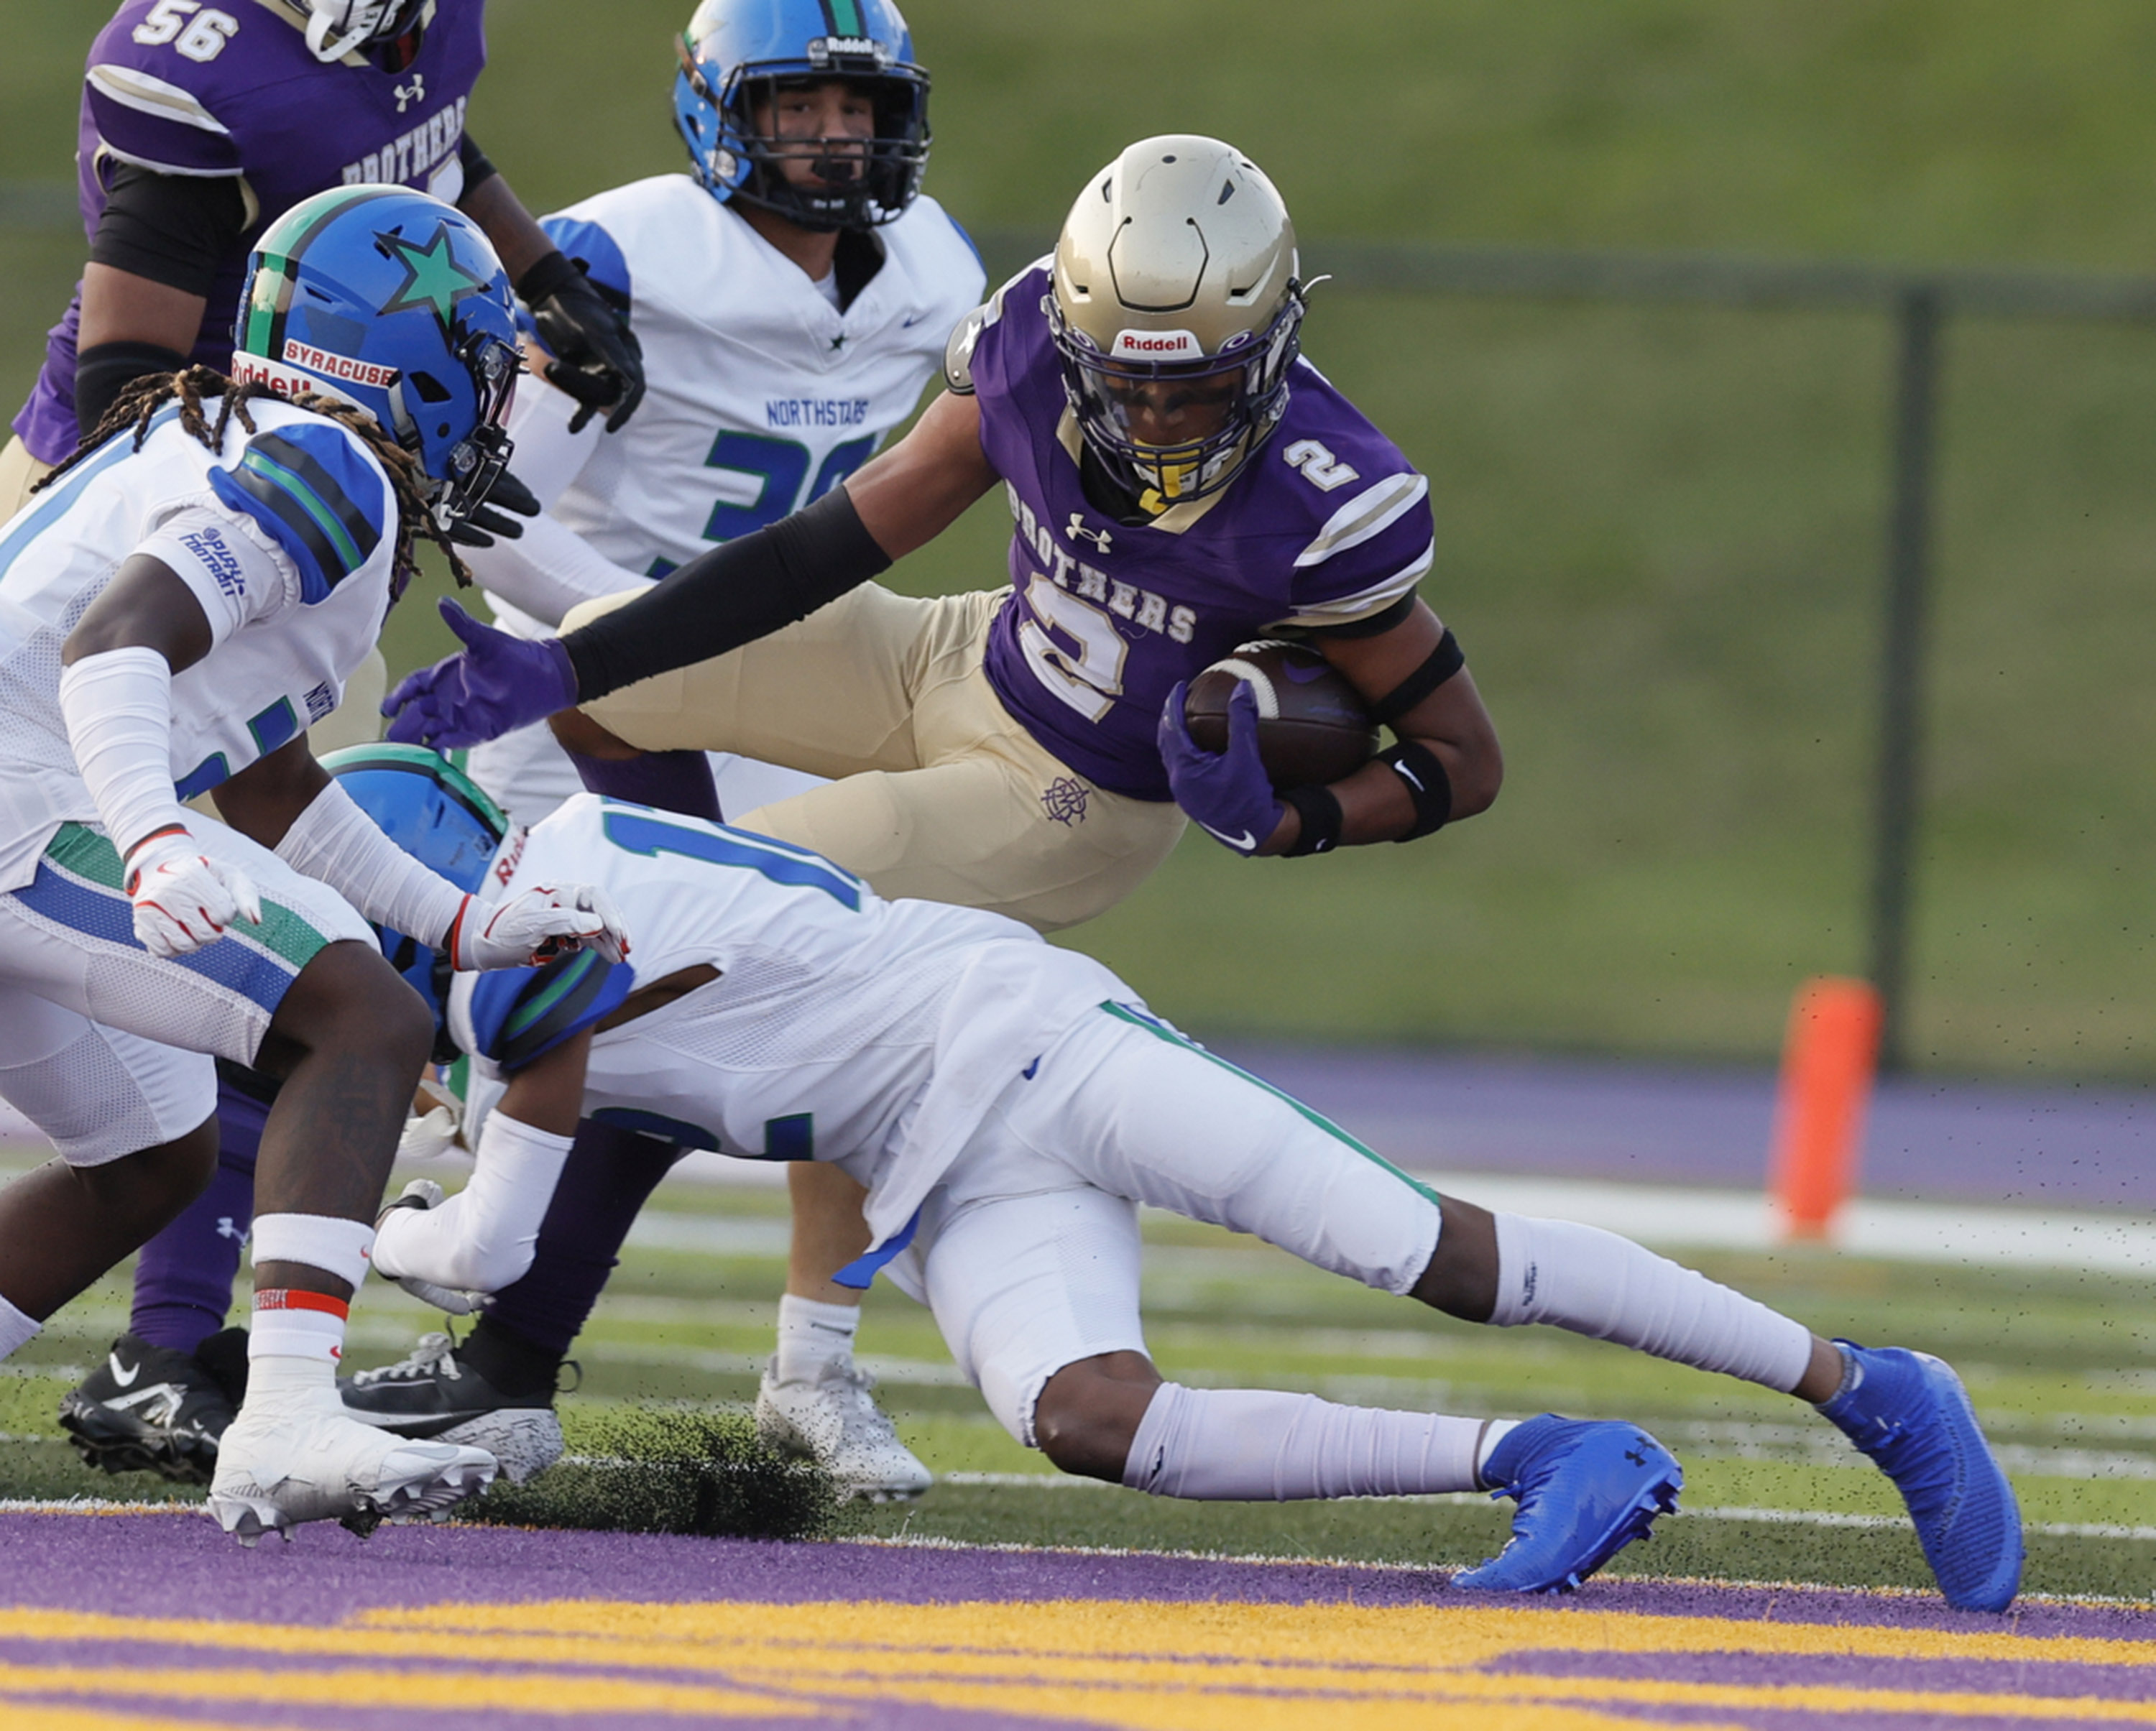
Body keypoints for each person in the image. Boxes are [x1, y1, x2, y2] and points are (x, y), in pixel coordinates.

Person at [329, 748, 2021, 1610]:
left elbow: (484, 1247)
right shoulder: (547, 890)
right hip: (943, 1161)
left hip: (1039, 1045)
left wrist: (349, 1234)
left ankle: (1869, 1387)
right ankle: (1549, 1460)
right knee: (1086, 1418)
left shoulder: (526, 945)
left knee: (1418, 1247)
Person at [56, 0, 984, 1503]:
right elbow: (422, 478)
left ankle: (641, 1353)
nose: (833, 136)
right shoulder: (580, 272)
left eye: (857, 109)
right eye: (797, 105)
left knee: (774, 1005)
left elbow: (433, 148)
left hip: (719, 696)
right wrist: (610, 643)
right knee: (308, 989)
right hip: (436, 632)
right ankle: (208, 1344)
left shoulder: (931, 267)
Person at [0, 185, 627, 1542]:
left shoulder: (267, 443)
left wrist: (459, 922)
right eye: (481, 358)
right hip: (23, 797)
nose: (495, 397)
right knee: (363, 1020)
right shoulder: (330, 466)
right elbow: (112, 647)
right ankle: (285, 1418)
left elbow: (279, 787)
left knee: (154, 1154)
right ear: (409, 357)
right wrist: (157, 837)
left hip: (37, 784)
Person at [3, 0, 645, 516]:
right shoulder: (208, 68)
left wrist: (551, 281)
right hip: (134, 471)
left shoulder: (423, 17)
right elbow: (124, 388)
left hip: (311, 451)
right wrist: (323, 481)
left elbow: (417, 134)